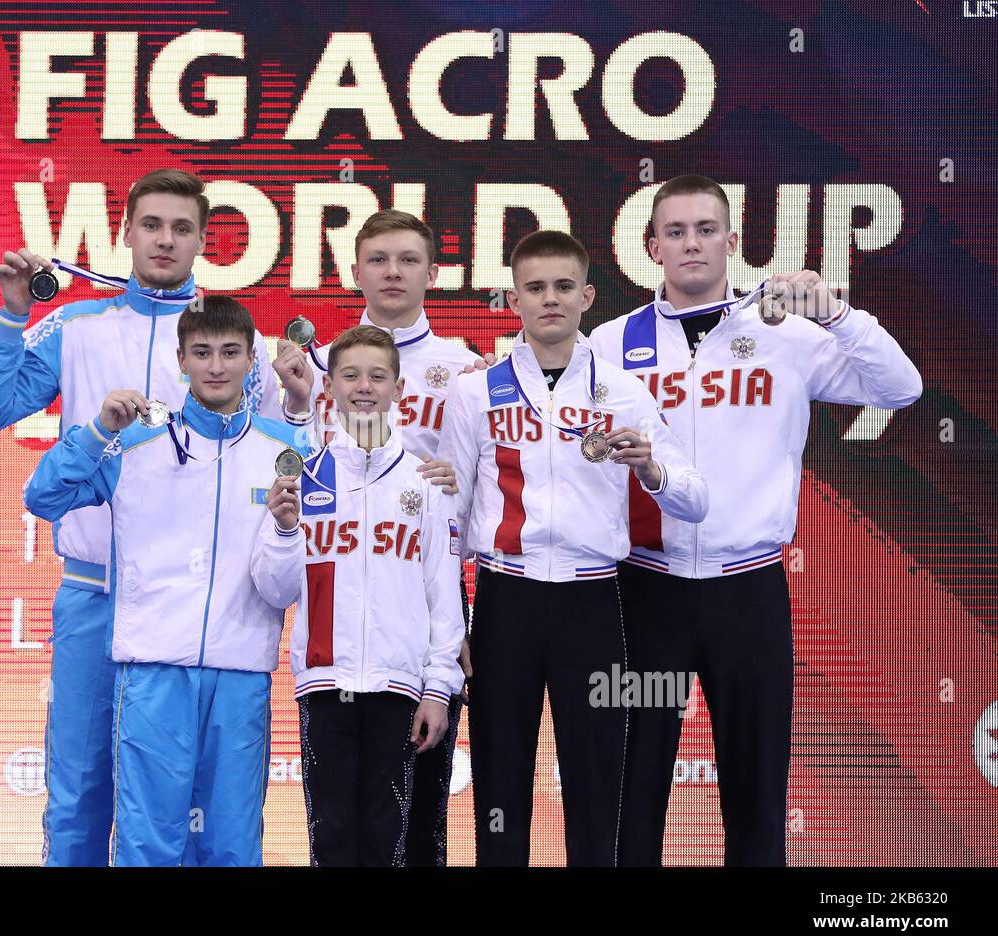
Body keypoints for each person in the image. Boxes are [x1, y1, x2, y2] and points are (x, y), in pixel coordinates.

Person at [588, 175, 922, 866]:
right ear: (651, 247)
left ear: (733, 242)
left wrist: (836, 313)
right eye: (675, 232)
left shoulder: (788, 336)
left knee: (756, 787)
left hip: (748, 594)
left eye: (706, 229)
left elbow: (902, 388)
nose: (691, 244)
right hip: (644, 594)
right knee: (632, 783)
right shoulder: (611, 343)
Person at [0, 169, 281, 866]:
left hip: (185, 608)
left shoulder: (230, 344)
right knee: (78, 791)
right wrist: (13, 315)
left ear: (204, 241)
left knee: (191, 807)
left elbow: (282, 451)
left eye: (182, 228)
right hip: (93, 596)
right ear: (127, 233)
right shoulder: (78, 326)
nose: (165, 240)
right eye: (151, 225)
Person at [439, 230, 708, 866]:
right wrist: (448, 622)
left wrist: (651, 471)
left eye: (563, 287)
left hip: (593, 605)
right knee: (500, 786)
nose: (550, 300)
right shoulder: (473, 391)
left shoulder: (623, 391)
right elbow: (446, 520)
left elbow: (695, 500)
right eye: (535, 288)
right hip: (506, 601)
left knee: (596, 784)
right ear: (512, 299)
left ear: (587, 295)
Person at [22, 296, 309, 867]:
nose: (216, 366)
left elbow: (292, 582)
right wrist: (97, 429)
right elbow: (43, 496)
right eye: (202, 353)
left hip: (241, 676)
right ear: (181, 359)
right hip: (151, 674)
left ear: (252, 360)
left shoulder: (287, 450)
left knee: (231, 847)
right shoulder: (134, 443)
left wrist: (285, 529)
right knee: (147, 846)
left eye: (231, 352)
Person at [273, 209, 476, 866]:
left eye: (408, 259)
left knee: (416, 813)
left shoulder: (466, 369)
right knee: (336, 822)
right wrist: (301, 407)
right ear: (354, 270)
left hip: (421, 597)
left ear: (433, 273)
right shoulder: (317, 365)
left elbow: (491, 487)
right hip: (337, 621)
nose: (393, 272)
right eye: (379, 259)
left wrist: (449, 648)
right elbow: (291, 473)